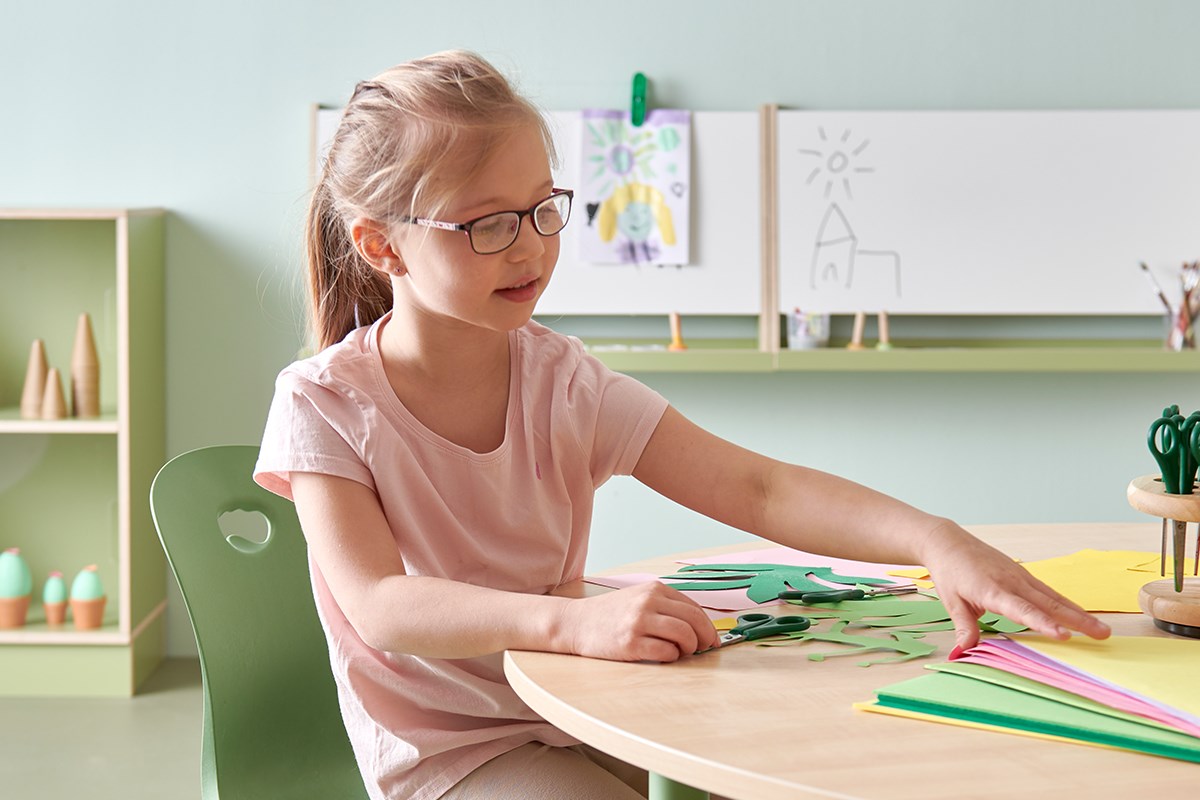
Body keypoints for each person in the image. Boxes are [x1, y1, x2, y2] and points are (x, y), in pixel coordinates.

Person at [254, 50, 1110, 800]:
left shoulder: (563, 382)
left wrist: (934, 539)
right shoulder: (324, 403)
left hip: (582, 702)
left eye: (543, 208)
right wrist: (575, 622)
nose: (531, 249)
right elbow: (380, 604)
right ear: (381, 246)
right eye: (487, 225)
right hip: (454, 752)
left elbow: (758, 486)